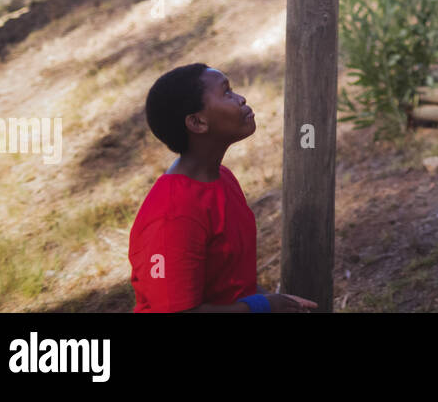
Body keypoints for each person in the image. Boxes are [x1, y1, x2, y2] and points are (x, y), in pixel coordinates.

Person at [128, 63, 316, 313]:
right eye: (226, 93)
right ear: (197, 122)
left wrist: (273, 302)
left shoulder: (221, 178)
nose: (241, 99)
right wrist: (262, 307)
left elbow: (231, 283)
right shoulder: (173, 216)